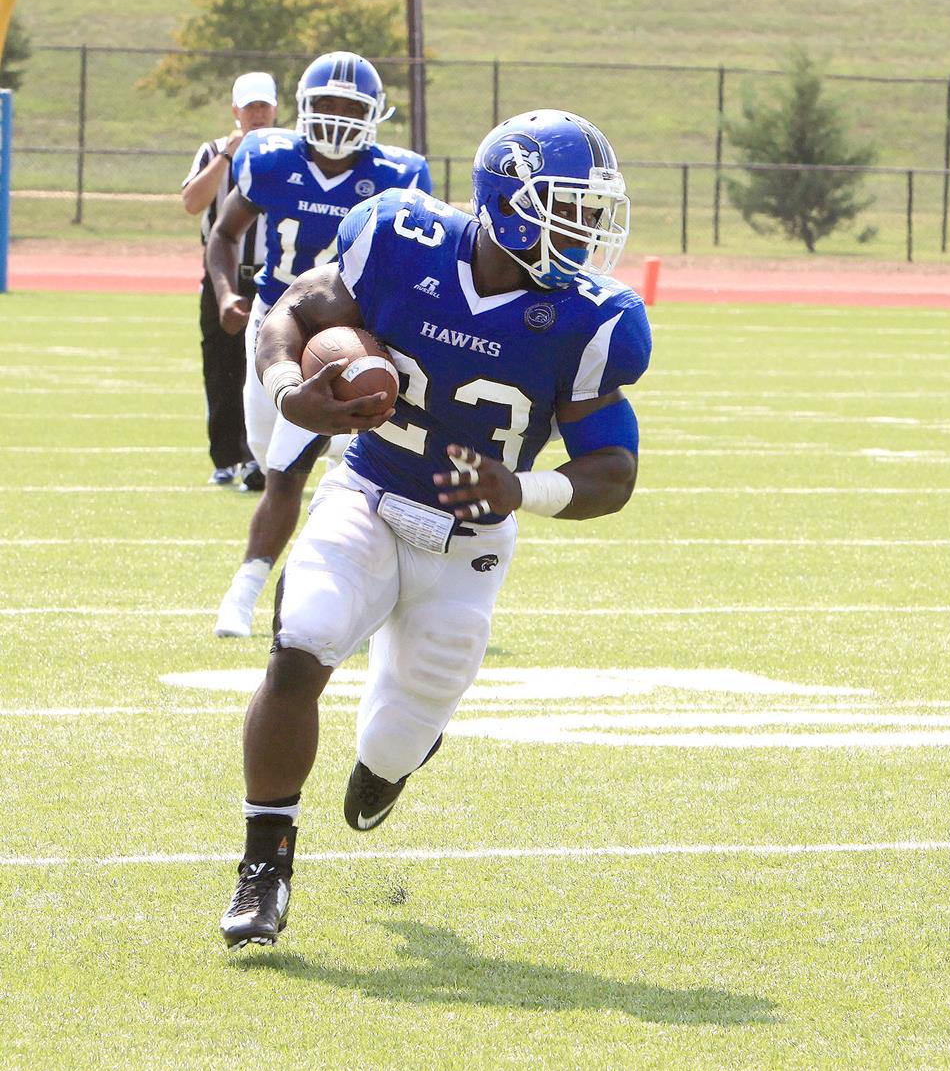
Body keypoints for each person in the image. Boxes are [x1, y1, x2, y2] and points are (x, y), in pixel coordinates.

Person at [220, 109, 649, 949]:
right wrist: (286, 390)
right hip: (369, 494)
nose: (588, 230)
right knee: (301, 640)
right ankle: (265, 863)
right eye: (571, 206)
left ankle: (396, 759)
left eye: (594, 211)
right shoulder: (399, 237)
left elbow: (613, 473)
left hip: (469, 541)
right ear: (510, 201)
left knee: (395, 737)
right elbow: (296, 312)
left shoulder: (595, 318)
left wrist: (518, 487)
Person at [207, 51, 431, 638]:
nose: (335, 117)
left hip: (347, 332)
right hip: (274, 322)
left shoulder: (399, 176)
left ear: (375, 114)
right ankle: (335, 493)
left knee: (286, 466)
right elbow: (225, 234)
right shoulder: (269, 158)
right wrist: (227, 293)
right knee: (266, 448)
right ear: (301, 110)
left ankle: (247, 589)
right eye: (324, 105)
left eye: (349, 107)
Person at [181, 71, 277, 489]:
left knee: (269, 370)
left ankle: (262, 458)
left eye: (263, 106)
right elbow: (191, 203)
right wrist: (225, 159)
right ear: (235, 111)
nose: (257, 114)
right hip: (224, 275)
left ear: (276, 110)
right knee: (221, 369)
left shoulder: (287, 152)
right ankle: (226, 458)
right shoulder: (213, 151)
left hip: (274, 276)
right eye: (249, 107)